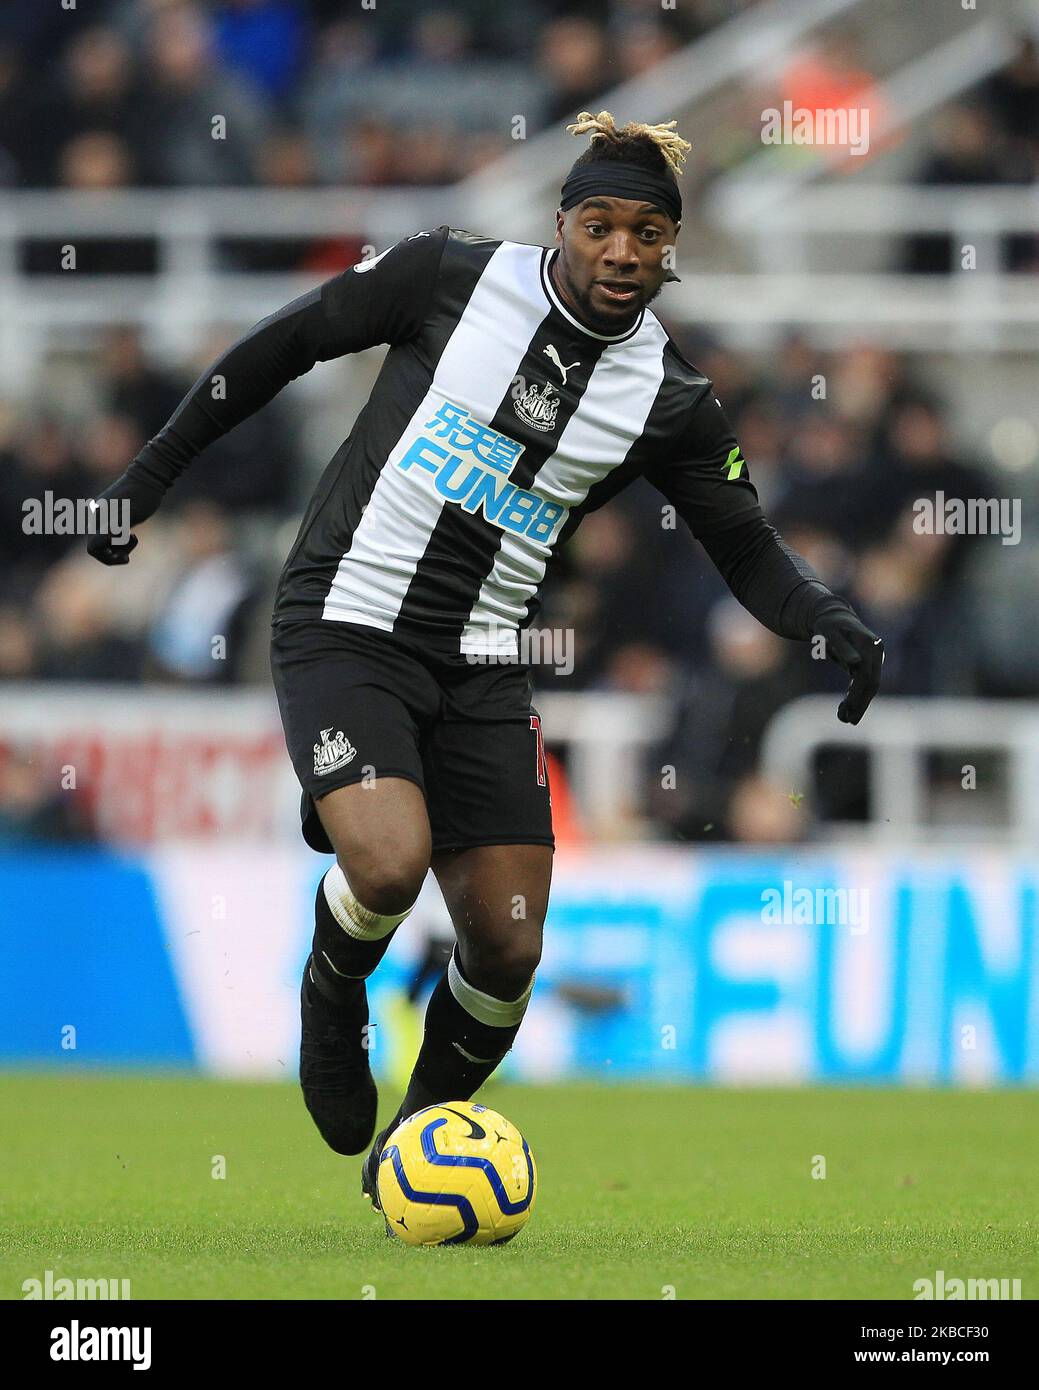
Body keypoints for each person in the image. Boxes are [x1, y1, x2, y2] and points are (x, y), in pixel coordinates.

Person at [86, 109, 884, 1214]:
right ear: (561, 223)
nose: (619, 251)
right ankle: (332, 986)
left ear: (669, 248)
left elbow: (742, 544)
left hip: (481, 661)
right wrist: (148, 475)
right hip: (345, 617)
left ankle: (417, 1146)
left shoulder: (671, 399)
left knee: (508, 949)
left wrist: (824, 615)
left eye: (646, 234)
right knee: (385, 861)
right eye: (599, 224)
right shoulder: (445, 277)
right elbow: (282, 344)